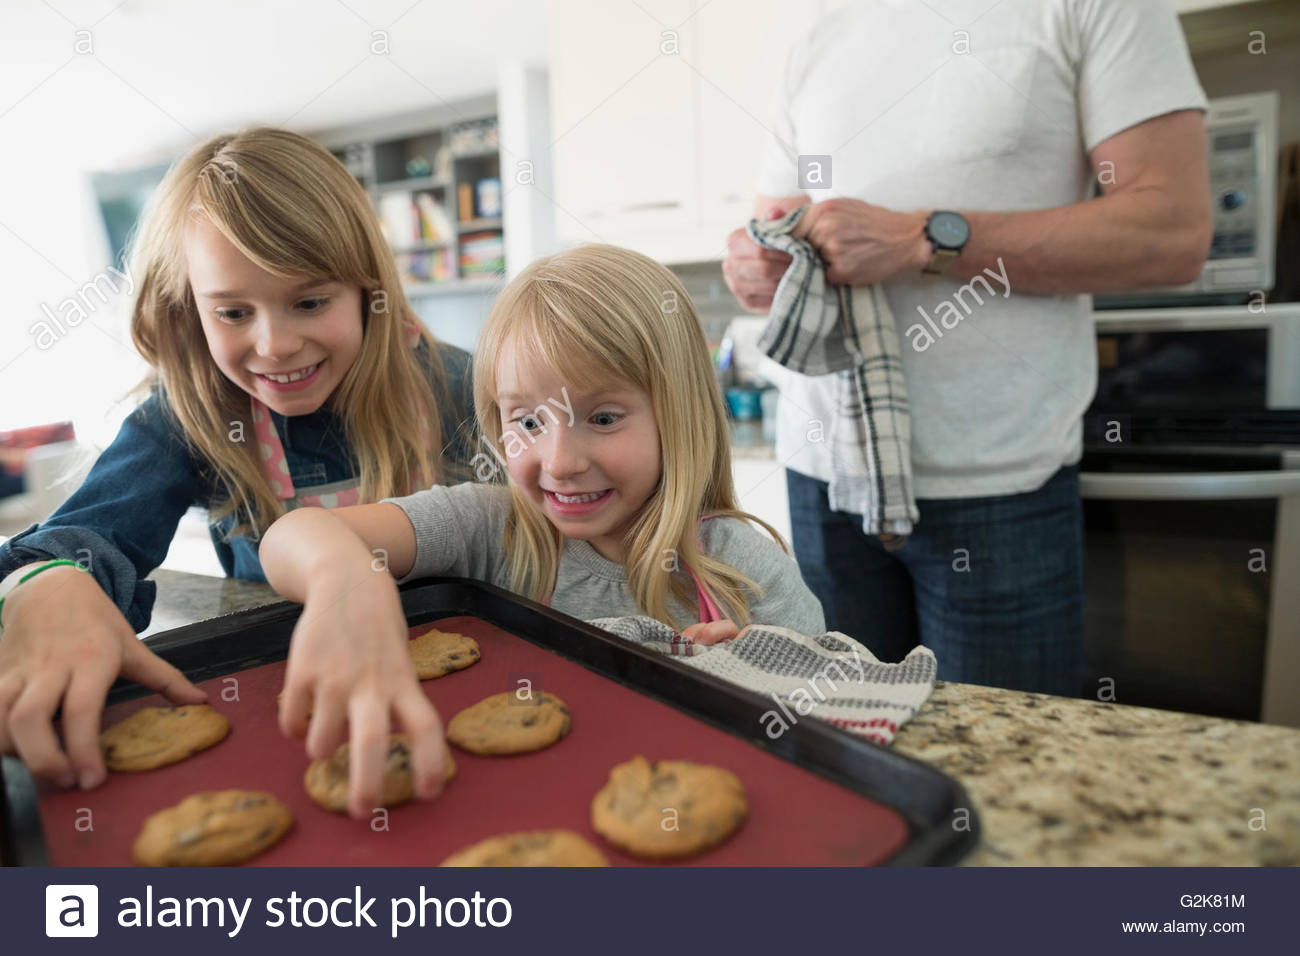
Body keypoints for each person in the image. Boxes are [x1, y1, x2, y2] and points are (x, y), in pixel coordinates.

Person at [722, 0, 1212, 695]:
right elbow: (769, 224)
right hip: (820, 477)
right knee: (847, 761)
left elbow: (1174, 231)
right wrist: (752, 265)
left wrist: (925, 238)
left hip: (1000, 490)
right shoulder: (820, 36)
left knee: (1001, 779)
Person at [0, 128, 474, 814]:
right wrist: (51, 584)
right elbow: (79, 542)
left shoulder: (450, 383)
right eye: (233, 312)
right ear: (186, 307)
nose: (275, 345)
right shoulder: (188, 419)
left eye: (311, 301)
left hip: (467, 681)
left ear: (369, 290)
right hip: (293, 714)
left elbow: (555, 511)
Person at [259, 245, 826, 798]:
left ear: (680, 416)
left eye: (603, 417)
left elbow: (836, 725)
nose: (559, 461)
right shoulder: (486, 527)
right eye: (528, 421)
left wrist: (756, 682)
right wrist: (342, 577)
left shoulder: (745, 574)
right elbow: (290, 537)